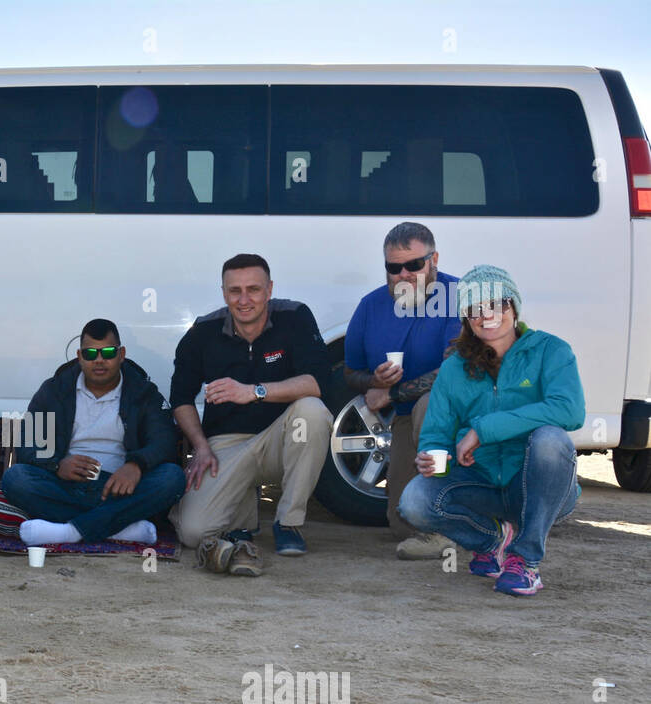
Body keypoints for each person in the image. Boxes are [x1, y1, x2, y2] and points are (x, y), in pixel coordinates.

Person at [398, 265, 584, 597]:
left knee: (551, 439)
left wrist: (484, 430)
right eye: (475, 309)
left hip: (536, 486)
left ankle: (525, 561)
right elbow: (436, 433)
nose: (487, 316)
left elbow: (570, 410)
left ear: (514, 306)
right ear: (466, 318)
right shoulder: (455, 367)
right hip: (480, 483)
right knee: (414, 500)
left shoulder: (551, 350)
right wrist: (431, 456)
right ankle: (492, 540)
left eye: (497, 304)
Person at [169, 253, 333, 576]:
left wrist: (253, 391)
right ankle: (243, 517)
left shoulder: (295, 316)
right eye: (235, 291)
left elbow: (317, 383)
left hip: (280, 438)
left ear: (269, 289)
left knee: (312, 413)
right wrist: (200, 447)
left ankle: (288, 522)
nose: (244, 300)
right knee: (192, 533)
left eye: (254, 289)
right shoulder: (203, 331)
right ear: (223, 292)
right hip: (225, 445)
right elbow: (180, 399)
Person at [1, 318, 185, 546]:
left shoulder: (143, 392)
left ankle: (68, 532)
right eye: (90, 354)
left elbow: (164, 440)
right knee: (16, 478)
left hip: (122, 487)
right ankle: (118, 527)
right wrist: (58, 465)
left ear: (121, 354)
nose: (99, 360)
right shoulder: (54, 390)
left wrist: (136, 465)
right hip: (66, 485)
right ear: (79, 356)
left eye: (107, 352)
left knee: (172, 478)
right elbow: (29, 443)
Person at [344, 222, 461, 559]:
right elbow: (350, 372)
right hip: (407, 424)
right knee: (402, 521)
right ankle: (465, 521)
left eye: (414, 265)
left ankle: (442, 528)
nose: (404, 275)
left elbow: (452, 374)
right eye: (394, 267)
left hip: (462, 421)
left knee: (431, 403)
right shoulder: (370, 306)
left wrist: (392, 395)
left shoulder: (459, 297)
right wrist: (373, 381)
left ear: (434, 259)